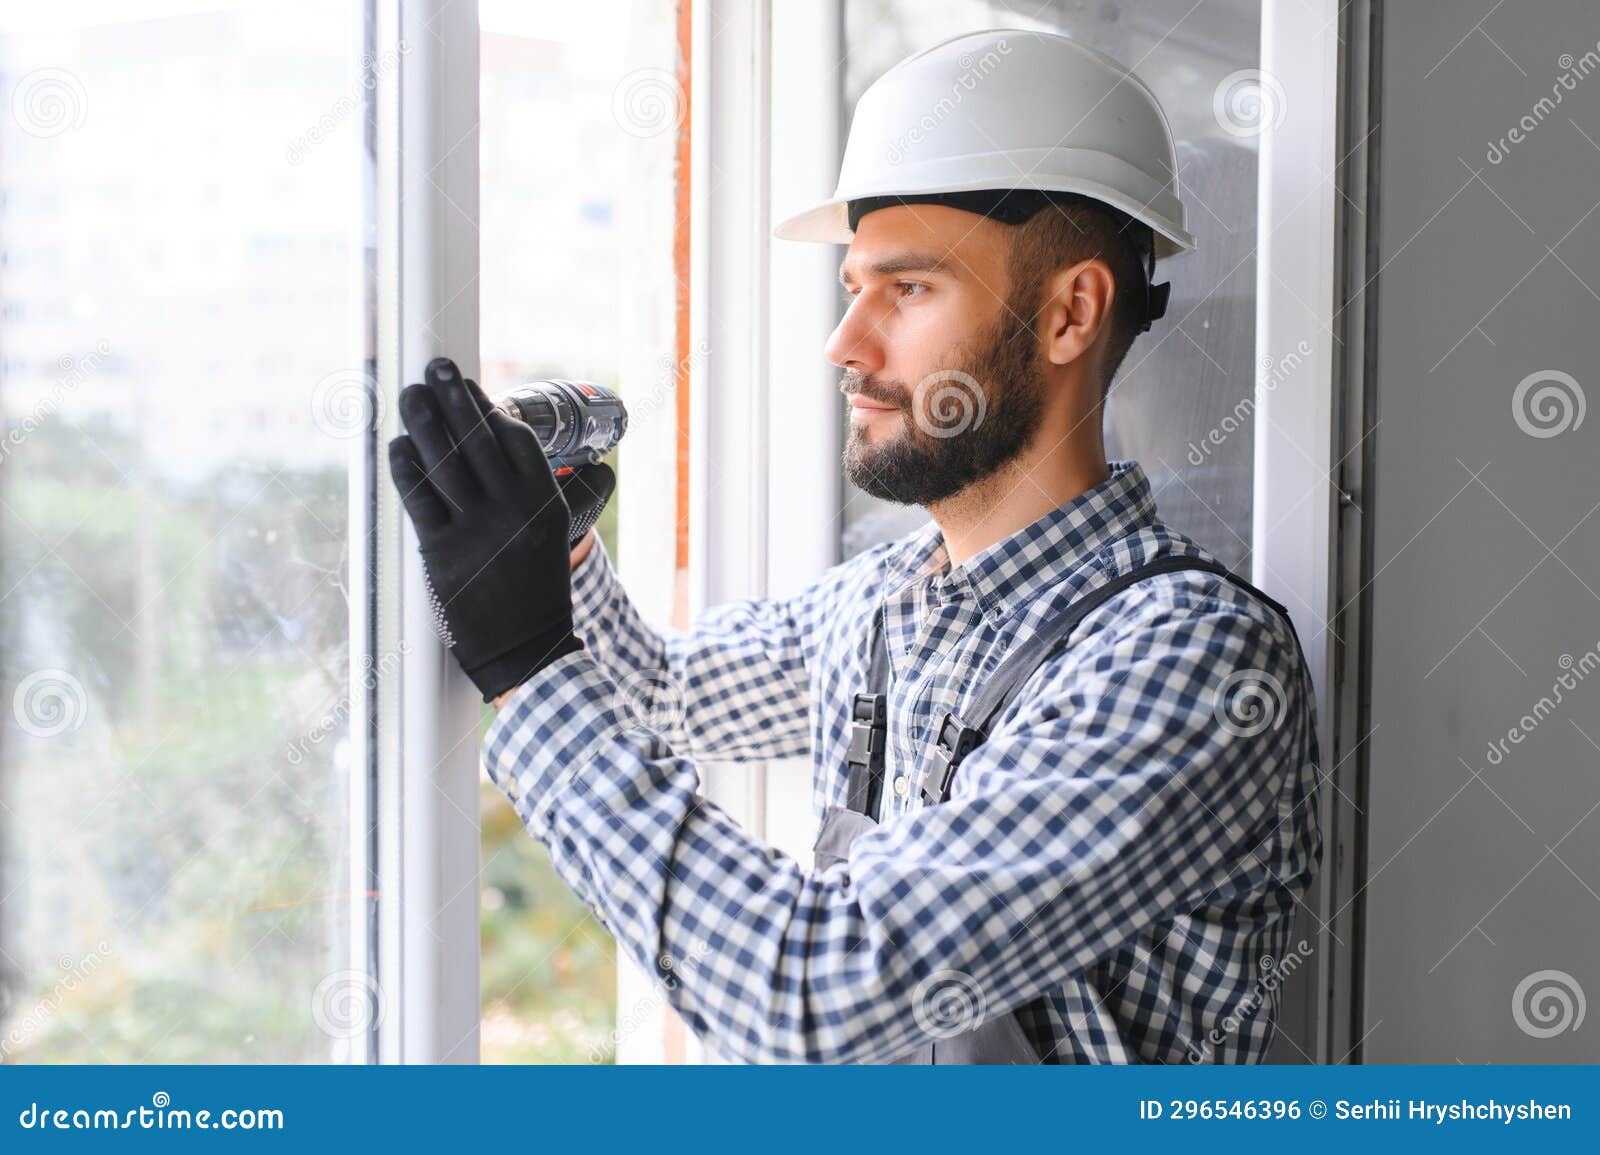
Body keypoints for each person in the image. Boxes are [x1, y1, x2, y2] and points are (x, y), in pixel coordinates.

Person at [387, 28, 1322, 1064]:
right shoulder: (884, 601)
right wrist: (557, 557)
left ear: (1070, 314)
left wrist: (527, 665)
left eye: (909, 289)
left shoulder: (1186, 662)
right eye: (853, 288)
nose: (846, 343)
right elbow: (667, 693)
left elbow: (819, 1002)